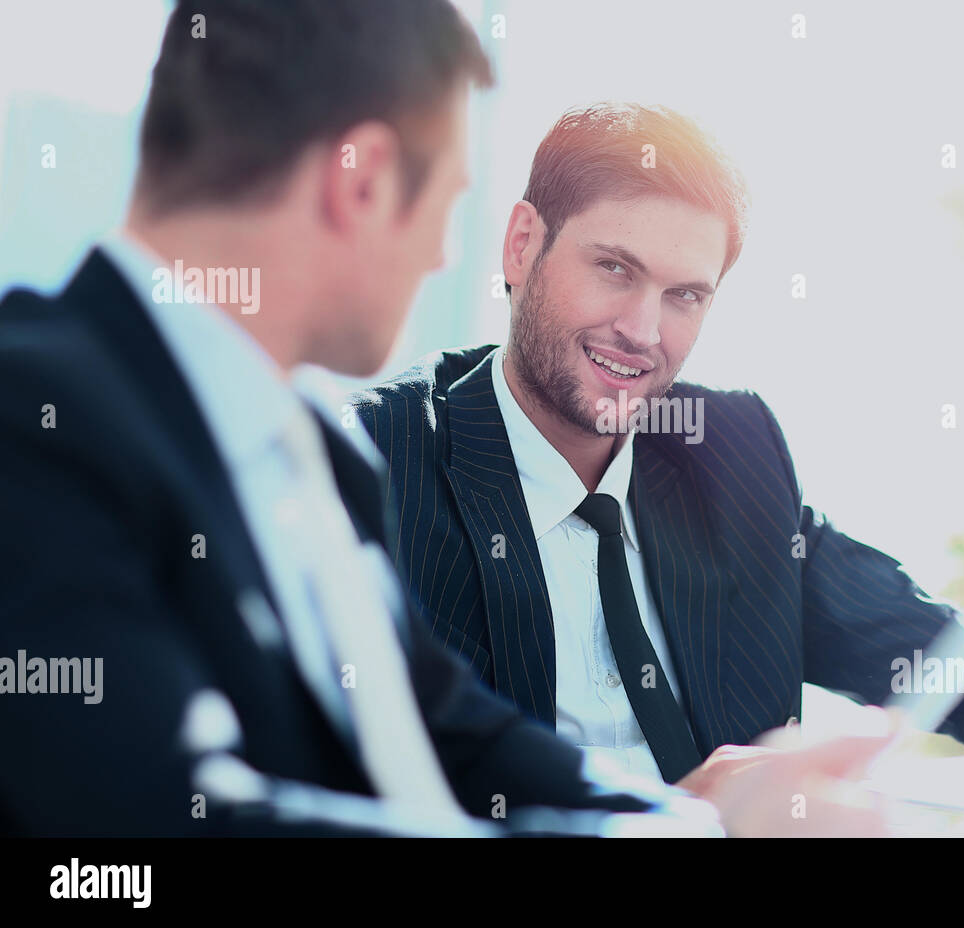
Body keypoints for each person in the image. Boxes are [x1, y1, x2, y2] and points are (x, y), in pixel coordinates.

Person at [0, 1, 891, 837]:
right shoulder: (34, 422)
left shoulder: (311, 451)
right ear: (364, 184)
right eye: (450, 205)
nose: (440, 256)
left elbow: (453, 734)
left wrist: (699, 818)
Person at [352, 102, 964, 792]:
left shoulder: (726, 455)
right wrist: (675, 824)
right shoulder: (373, 462)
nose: (642, 331)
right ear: (522, 245)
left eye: (685, 296)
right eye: (613, 267)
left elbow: (944, 660)